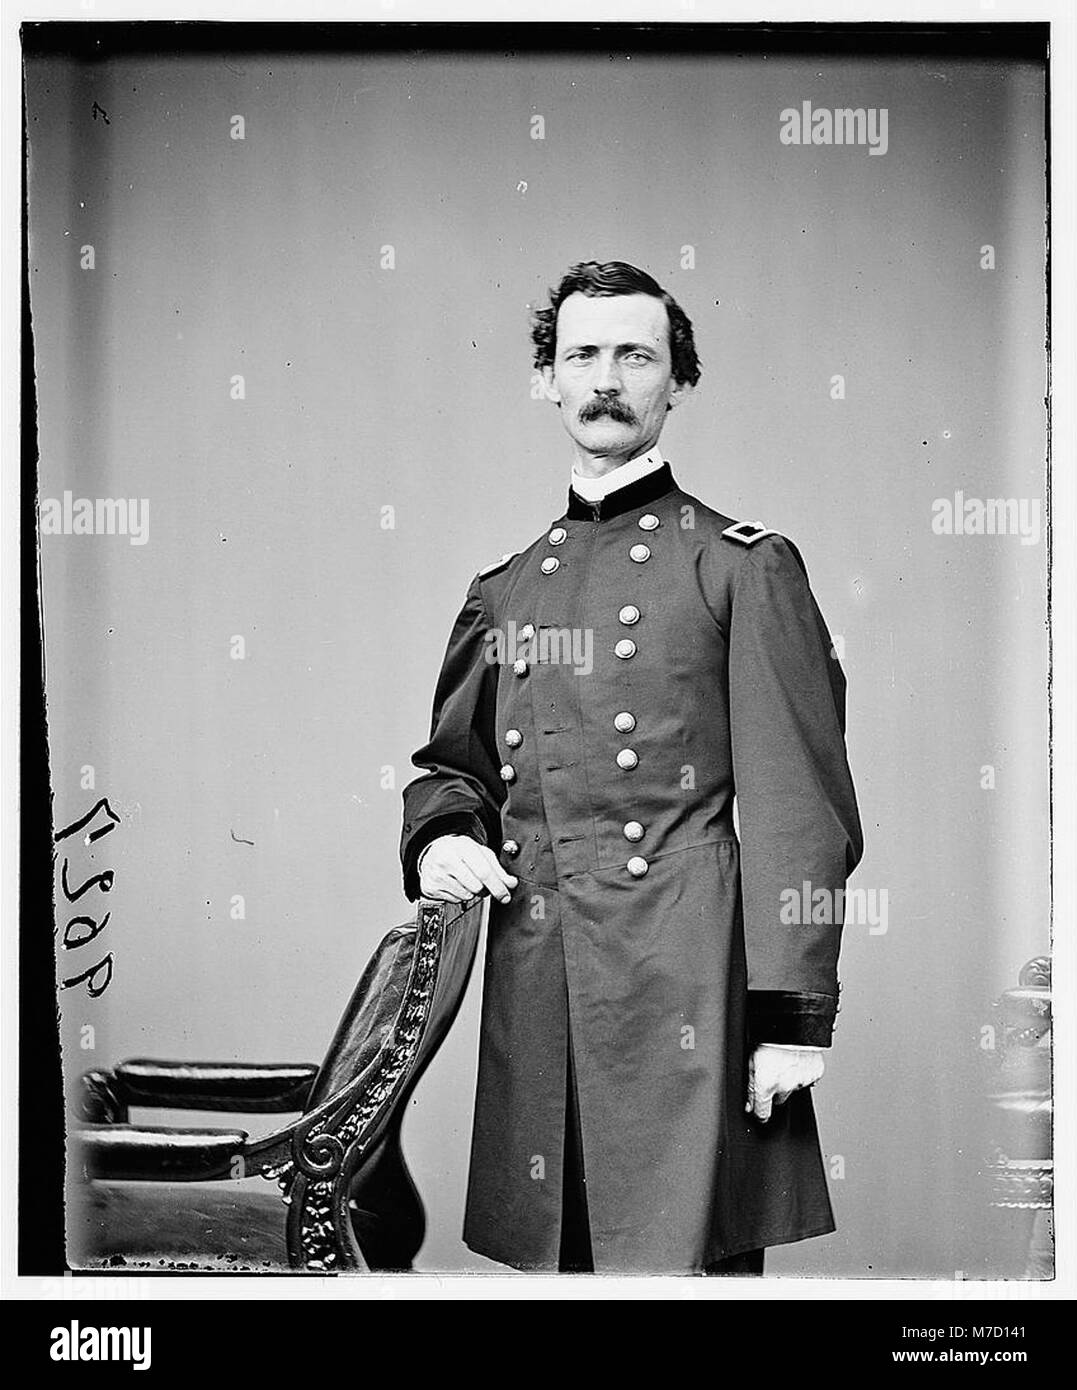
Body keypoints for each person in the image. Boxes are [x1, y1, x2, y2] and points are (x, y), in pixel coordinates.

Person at [400, 260, 864, 1274]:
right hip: (542, 984)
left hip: (690, 987)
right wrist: (443, 834)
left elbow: (800, 807)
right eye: (582, 355)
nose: (605, 377)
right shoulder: (505, 590)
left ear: (677, 383)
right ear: (548, 381)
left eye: (635, 354)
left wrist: (790, 1016)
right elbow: (453, 767)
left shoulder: (742, 565)